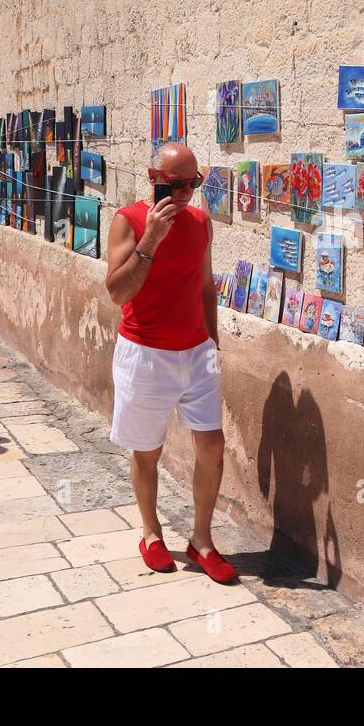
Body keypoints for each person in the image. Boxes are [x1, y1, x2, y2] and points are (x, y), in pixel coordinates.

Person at [104, 141, 235, 584]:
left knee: (212, 444)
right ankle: (151, 532)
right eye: (175, 185)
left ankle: (201, 540)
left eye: (193, 184)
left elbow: (204, 286)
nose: (184, 194)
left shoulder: (200, 220)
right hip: (146, 353)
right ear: (152, 177)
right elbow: (118, 291)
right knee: (148, 450)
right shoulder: (129, 220)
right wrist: (150, 241)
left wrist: (212, 341)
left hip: (197, 353)